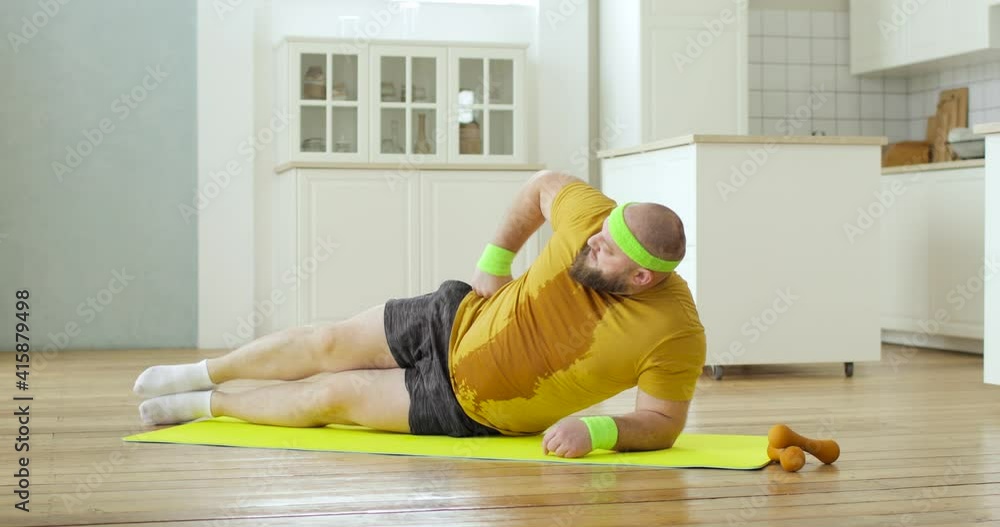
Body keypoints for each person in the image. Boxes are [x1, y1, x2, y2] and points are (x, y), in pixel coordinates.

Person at [133, 170, 706, 459]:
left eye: (603, 250)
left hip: (470, 406)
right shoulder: (594, 222)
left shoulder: (675, 332)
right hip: (455, 315)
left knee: (331, 394)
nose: (589, 244)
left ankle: (204, 406)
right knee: (327, 342)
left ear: (642, 278)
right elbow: (542, 185)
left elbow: (664, 423)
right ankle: (203, 371)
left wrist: (598, 430)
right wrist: (494, 260)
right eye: (597, 234)